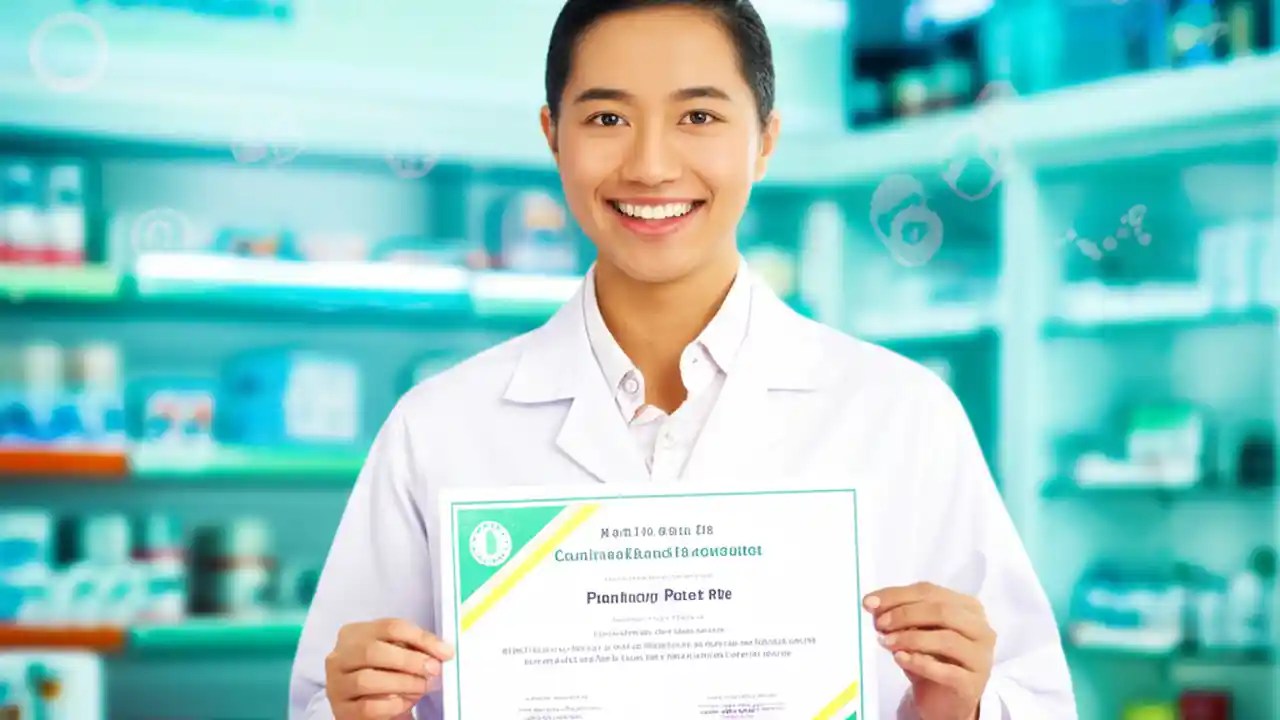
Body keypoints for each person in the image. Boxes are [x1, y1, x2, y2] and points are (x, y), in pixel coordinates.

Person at [288, 1, 1077, 718]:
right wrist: (355, 709)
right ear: (551, 134)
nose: (651, 166)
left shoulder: (903, 413)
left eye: (698, 115)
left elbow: (1033, 697)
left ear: (765, 140)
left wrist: (959, 706)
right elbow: (327, 700)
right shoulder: (439, 427)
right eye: (606, 120)